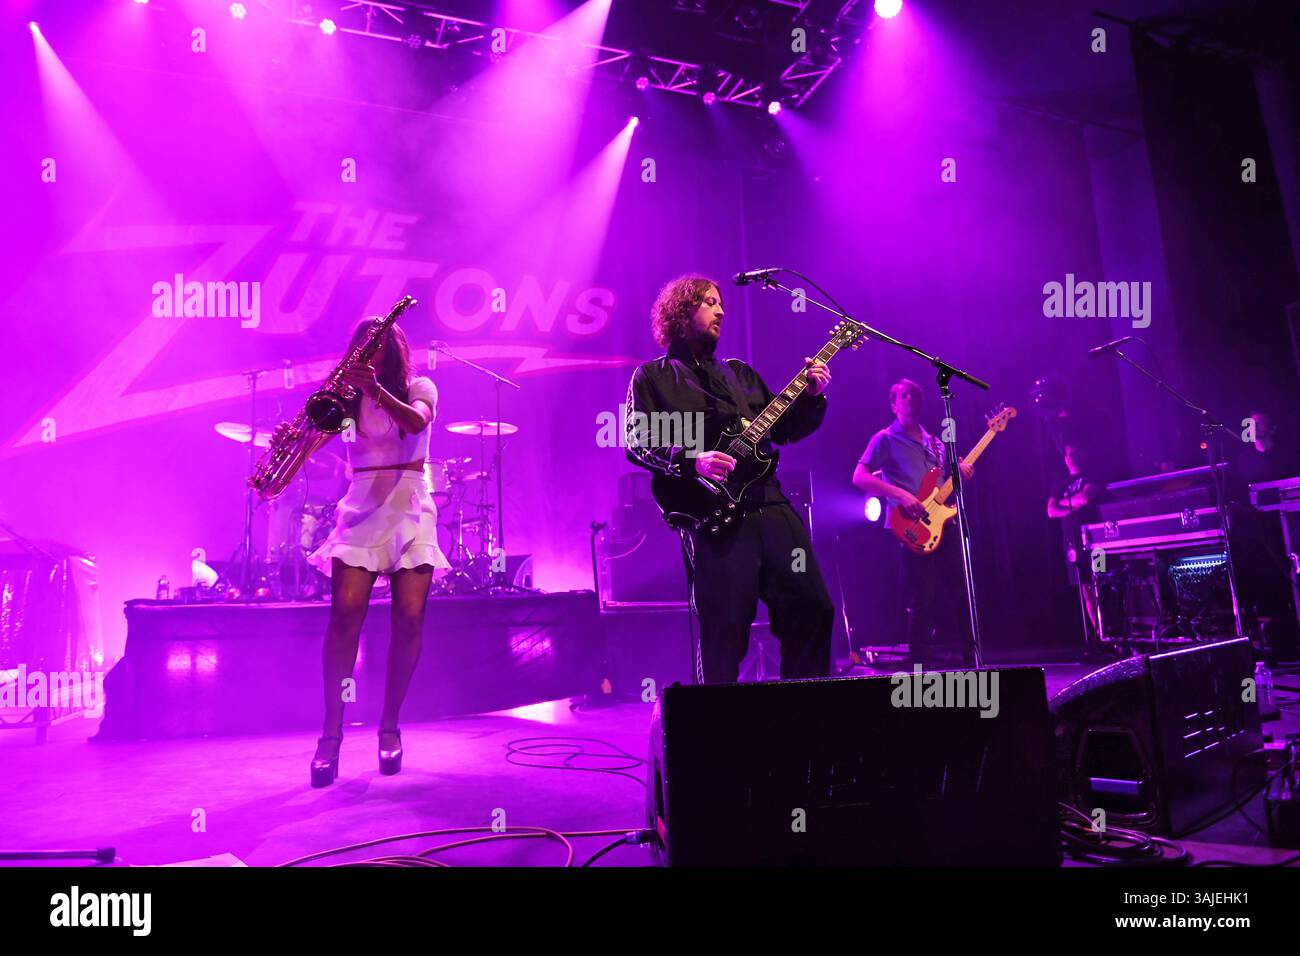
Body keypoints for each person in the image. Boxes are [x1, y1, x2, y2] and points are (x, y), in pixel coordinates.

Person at [623, 274, 834, 684]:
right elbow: (636, 439)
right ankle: (718, 736)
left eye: (722, 303)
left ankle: (806, 720)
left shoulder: (739, 373)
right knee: (723, 634)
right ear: (682, 311)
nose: (721, 310)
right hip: (710, 514)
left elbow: (783, 430)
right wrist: (691, 460)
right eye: (709, 302)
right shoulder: (652, 377)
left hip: (768, 502)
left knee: (813, 609)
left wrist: (811, 397)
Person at [273, 319, 450, 787]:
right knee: (345, 614)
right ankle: (330, 735)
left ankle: (389, 726)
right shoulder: (348, 402)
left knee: (409, 619)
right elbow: (313, 442)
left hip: (410, 504)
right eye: (360, 349)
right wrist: (290, 444)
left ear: (391, 351)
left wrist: (375, 389)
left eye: (374, 349)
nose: (366, 356)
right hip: (362, 504)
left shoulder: (419, 387)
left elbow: (416, 422)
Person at [852, 378, 974, 666]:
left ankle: (973, 659)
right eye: (903, 396)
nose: (909, 399)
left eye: (914, 395)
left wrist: (962, 475)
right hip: (911, 527)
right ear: (893, 404)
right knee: (923, 601)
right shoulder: (884, 438)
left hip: (945, 526)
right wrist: (901, 495)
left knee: (962, 594)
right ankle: (920, 667)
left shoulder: (935, 442)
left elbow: (942, 486)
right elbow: (859, 477)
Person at [1046, 439, 1106, 651]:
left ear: (1083, 455)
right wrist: (1073, 505)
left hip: (1096, 542)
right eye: (1068, 454)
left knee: (1102, 583)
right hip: (1072, 544)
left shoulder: (1092, 475)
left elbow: (1087, 497)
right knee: (1086, 588)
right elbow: (1051, 510)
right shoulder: (1059, 482)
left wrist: (1064, 502)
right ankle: (1099, 636)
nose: (1071, 457)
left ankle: (1110, 634)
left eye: (1075, 453)